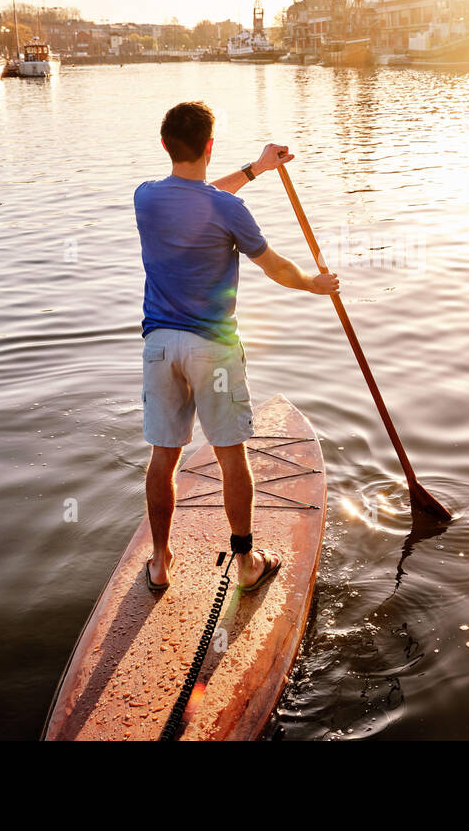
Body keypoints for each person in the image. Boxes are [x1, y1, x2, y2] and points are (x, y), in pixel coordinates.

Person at [134, 101, 339, 595]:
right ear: (210, 146)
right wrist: (315, 284)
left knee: (164, 455)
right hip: (214, 350)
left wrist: (255, 169)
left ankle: (160, 562)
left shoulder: (145, 197)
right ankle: (246, 564)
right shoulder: (227, 209)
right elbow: (274, 266)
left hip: (160, 346)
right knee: (230, 455)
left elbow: (200, 195)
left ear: (165, 145)